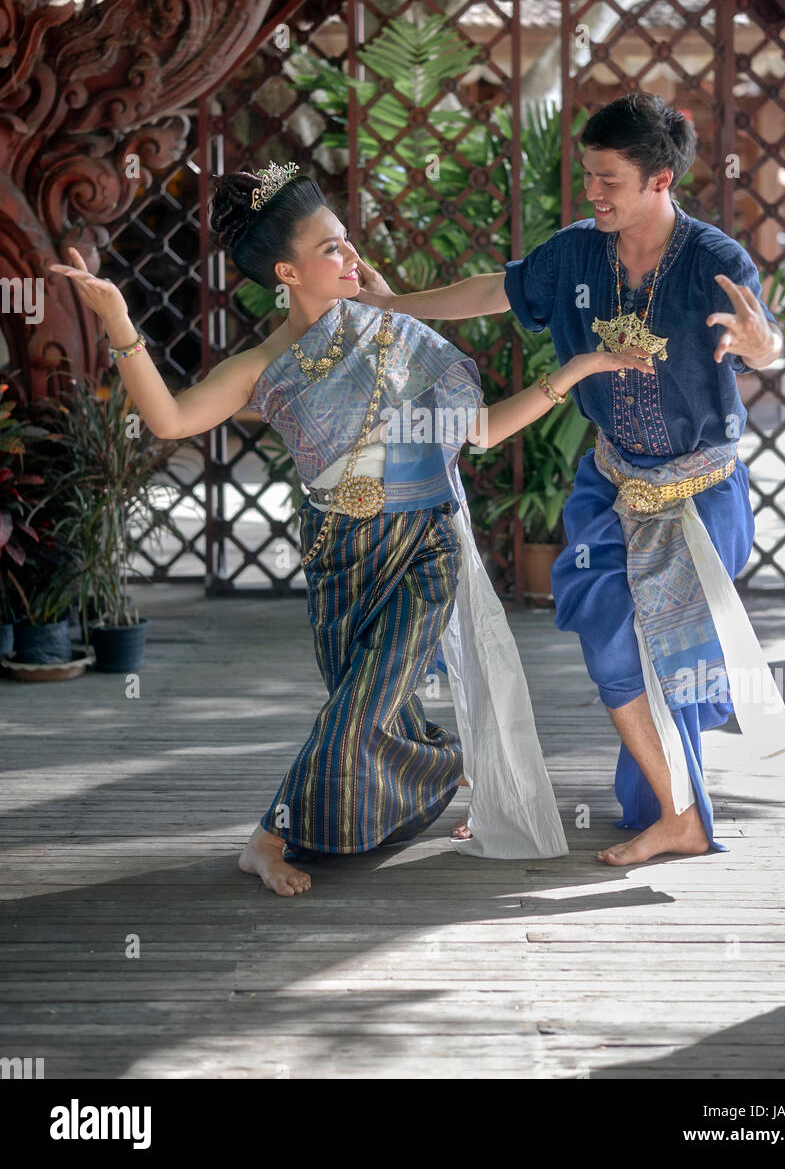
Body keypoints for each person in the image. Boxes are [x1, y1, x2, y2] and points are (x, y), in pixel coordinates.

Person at [49, 160, 652, 897]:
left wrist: (583, 366)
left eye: (347, 240)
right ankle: (437, 775)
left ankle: (266, 839)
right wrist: (117, 322)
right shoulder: (264, 365)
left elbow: (486, 429)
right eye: (331, 248)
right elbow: (169, 419)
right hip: (342, 557)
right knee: (373, 710)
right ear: (286, 272)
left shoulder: (399, 334)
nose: (353, 258)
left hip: (425, 543)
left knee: (363, 703)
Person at [357, 91, 785, 867]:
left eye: (610, 181)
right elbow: (498, 289)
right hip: (611, 483)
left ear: (661, 181)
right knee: (608, 638)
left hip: (703, 491)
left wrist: (766, 349)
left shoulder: (716, 261)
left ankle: (668, 810)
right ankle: (679, 813)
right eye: (588, 176)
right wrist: (392, 303)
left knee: (681, 657)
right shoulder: (573, 254)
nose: (592, 193)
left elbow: (759, 339)